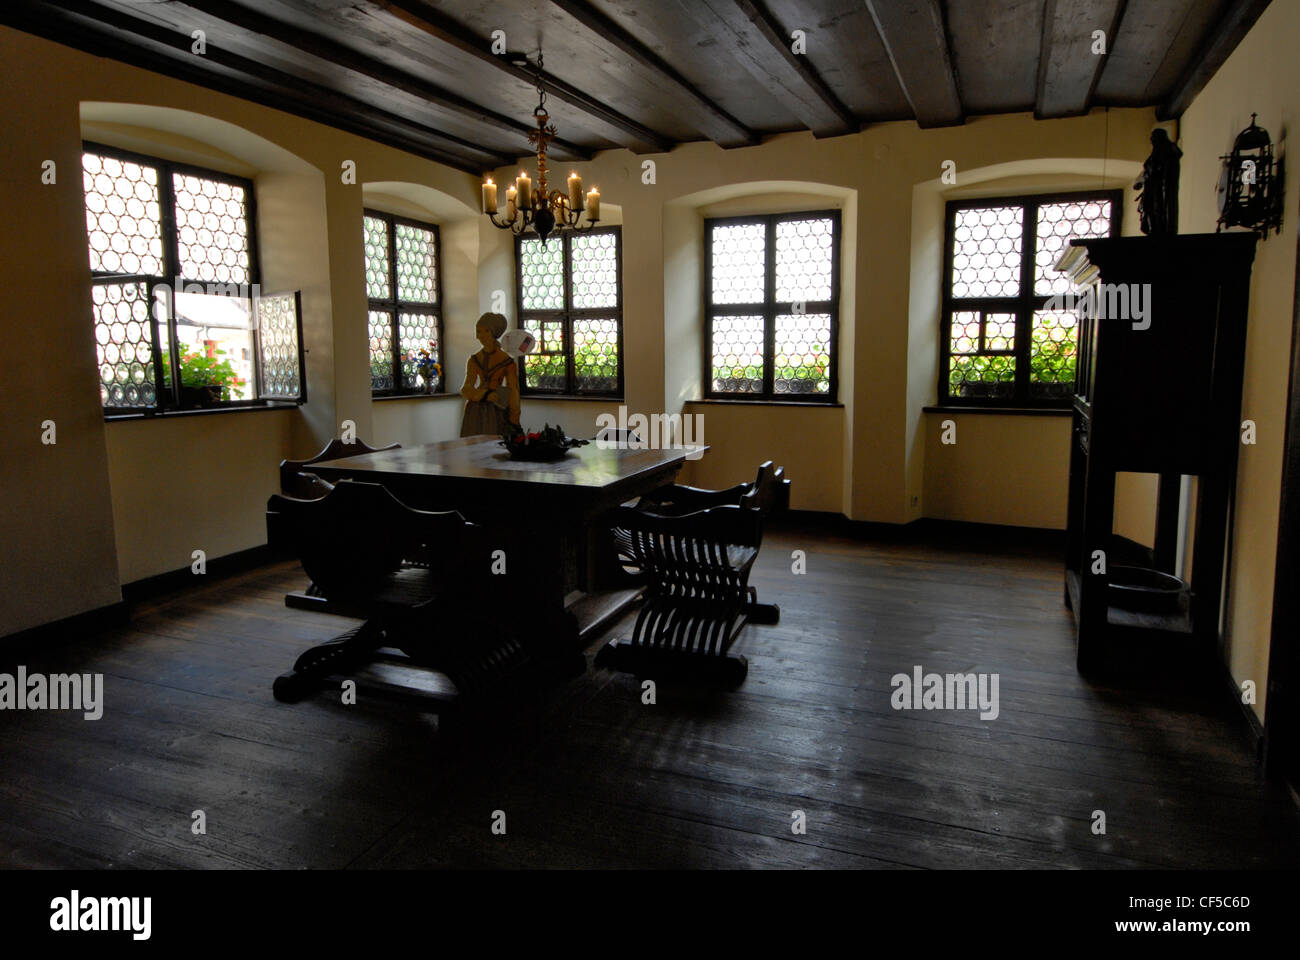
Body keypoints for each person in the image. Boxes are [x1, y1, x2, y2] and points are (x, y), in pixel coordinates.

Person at [459, 312, 520, 436]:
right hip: (475, 409)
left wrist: (514, 418)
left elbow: (513, 390)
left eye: (485, 331)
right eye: (478, 331)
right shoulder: (474, 359)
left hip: (497, 408)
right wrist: (484, 394)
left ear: (493, 332)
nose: (480, 336)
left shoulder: (507, 361)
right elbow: (466, 387)